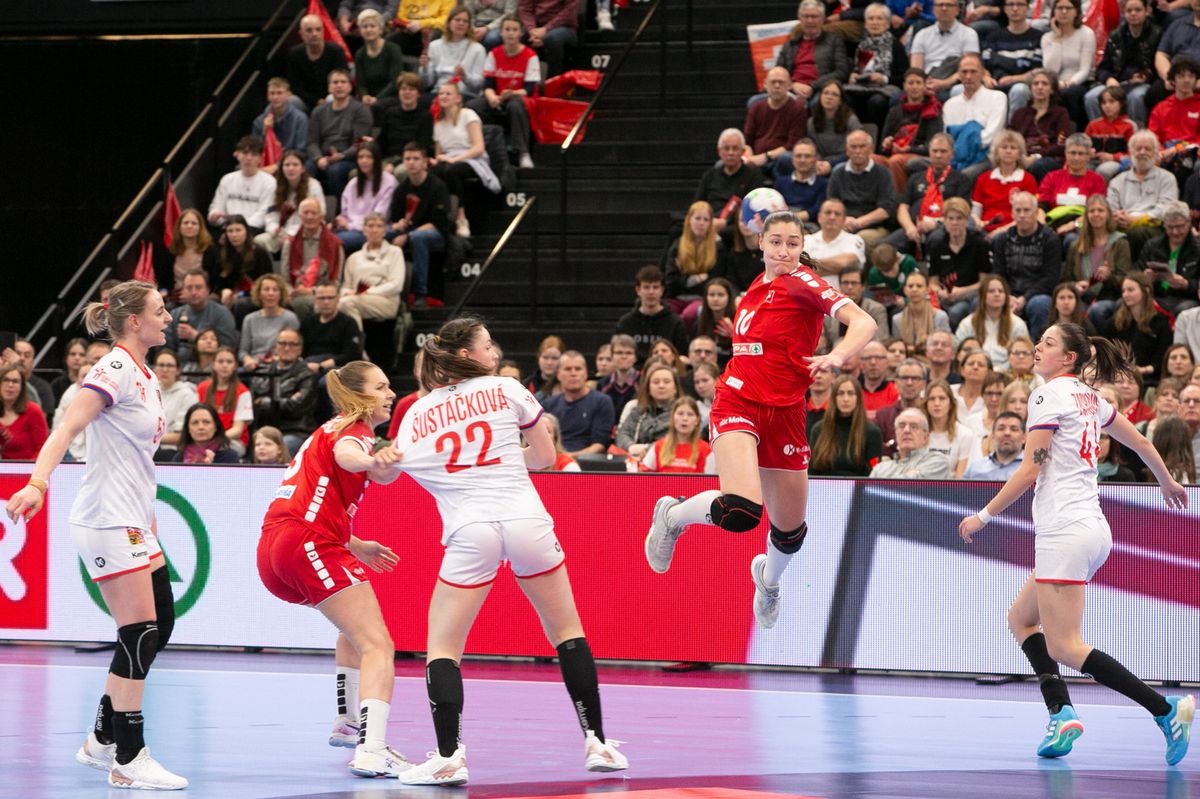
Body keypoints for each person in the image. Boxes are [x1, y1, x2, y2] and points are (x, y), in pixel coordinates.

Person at [389, 318, 628, 784]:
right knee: (566, 630)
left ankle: (448, 757)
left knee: (444, 646)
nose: (494, 348)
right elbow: (543, 458)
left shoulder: (418, 411)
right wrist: (503, 458)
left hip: (471, 527)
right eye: (486, 344)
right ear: (465, 355)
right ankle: (597, 742)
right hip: (526, 520)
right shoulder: (508, 389)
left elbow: (389, 472)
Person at [957, 322, 1193, 766]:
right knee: (1021, 619)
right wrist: (1167, 482)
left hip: (1064, 529)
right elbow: (1141, 440)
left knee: (1065, 645)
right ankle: (1061, 712)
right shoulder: (1092, 399)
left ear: (1067, 358)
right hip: (1089, 528)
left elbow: (1030, 470)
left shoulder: (1047, 395)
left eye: (1047, 343)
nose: (1037, 347)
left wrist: (983, 516)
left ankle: (1166, 712)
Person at [644, 211, 877, 630]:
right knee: (741, 511)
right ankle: (672, 516)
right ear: (761, 245)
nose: (784, 250)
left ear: (802, 247)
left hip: (786, 411)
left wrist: (837, 356)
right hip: (737, 399)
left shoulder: (803, 281)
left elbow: (864, 321)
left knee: (790, 533)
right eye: (776, 242)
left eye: (792, 243)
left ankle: (767, 582)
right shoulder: (755, 287)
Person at [5, 281, 188, 789]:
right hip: (105, 518)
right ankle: (128, 757)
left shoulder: (146, 375)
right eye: (160, 310)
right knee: (140, 631)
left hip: (133, 516)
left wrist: (148, 519)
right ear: (134, 321)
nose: (168, 317)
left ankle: (101, 738)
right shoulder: (114, 368)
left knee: (161, 622)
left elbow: (135, 460)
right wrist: (38, 482)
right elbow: (64, 429)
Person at [257, 360, 412, 776]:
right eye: (381, 387)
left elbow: (323, 491)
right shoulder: (354, 432)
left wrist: (357, 544)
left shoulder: (325, 429)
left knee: (355, 630)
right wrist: (371, 460)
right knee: (379, 645)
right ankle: (371, 749)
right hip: (308, 543)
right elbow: (349, 457)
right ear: (359, 397)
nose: (390, 394)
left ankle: (348, 723)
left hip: (277, 546)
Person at [470, 15, 539, 169]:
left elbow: (529, 89)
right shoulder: (494, 54)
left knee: (515, 106)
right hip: (498, 96)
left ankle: (522, 153)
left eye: (514, 30)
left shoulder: (530, 56)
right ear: (501, 32)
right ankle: (480, 149)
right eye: (507, 29)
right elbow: (488, 84)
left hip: (521, 98)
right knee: (472, 107)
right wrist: (491, 96)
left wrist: (512, 93)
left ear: (521, 33)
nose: (510, 33)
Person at [433, 79, 499, 237]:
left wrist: (456, 159)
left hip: (472, 159)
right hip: (449, 159)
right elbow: (438, 153)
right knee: (434, 171)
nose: (443, 96)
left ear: (458, 98)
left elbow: (478, 147)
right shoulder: (438, 123)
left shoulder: (468, 115)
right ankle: (440, 219)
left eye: (448, 93)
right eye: (441, 93)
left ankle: (461, 218)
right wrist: (436, 159)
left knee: (451, 171)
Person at [887, 133, 971, 257]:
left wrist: (936, 223)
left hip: (943, 228)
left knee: (936, 240)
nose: (938, 155)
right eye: (935, 151)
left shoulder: (961, 180)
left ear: (952, 154)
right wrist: (909, 227)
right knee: (885, 248)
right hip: (914, 228)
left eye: (943, 151)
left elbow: (962, 212)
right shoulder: (915, 177)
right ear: (929, 153)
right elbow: (903, 208)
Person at [389, 143, 452, 308]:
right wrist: (398, 225)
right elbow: (395, 219)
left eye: (416, 158)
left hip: (437, 234)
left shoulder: (437, 186)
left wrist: (408, 235)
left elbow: (438, 223)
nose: (411, 163)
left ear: (425, 162)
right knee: (381, 234)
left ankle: (420, 293)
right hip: (409, 232)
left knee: (418, 238)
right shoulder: (401, 189)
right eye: (407, 159)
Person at [992, 191, 1060, 338]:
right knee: (982, 301)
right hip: (1008, 293)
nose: (1022, 215)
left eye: (1027, 210)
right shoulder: (1001, 240)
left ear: (1036, 213)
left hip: (1038, 294)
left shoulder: (1050, 239)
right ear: (1012, 214)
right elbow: (998, 275)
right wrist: (1006, 296)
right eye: (1018, 210)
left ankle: (1039, 351)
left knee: (1039, 304)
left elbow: (1050, 278)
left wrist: (1024, 299)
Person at [1107, 130, 1180, 260]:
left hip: (1155, 227)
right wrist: (1119, 217)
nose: (1142, 152)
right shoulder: (1117, 181)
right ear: (1131, 152)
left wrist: (1135, 220)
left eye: (1147, 149)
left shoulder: (1167, 178)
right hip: (1122, 226)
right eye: (1138, 148)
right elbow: (1110, 208)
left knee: (1136, 233)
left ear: (1156, 152)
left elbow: (1166, 209)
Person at [1086, 0, 1161, 125]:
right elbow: (1103, 68)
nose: (1133, 14)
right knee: (1091, 97)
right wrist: (1109, 79)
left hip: (1142, 84)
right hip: (1117, 82)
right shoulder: (1116, 35)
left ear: (1146, 11)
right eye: (1129, 11)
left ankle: (1135, 134)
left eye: (1137, 10)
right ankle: (1100, 133)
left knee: (1136, 97)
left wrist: (1146, 75)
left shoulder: (1157, 34)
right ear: (1123, 13)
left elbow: (1157, 66)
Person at [1062, 195, 1130, 332]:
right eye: (1092, 211)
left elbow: (1126, 280)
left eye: (1100, 210)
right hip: (1082, 298)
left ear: (1108, 214)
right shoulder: (1076, 245)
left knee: (1097, 310)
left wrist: (1108, 277)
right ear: (1086, 216)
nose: (1096, 214)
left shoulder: (1120, 242)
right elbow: (1065, 280)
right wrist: (1075, 286)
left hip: (1110, 298)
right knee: (1067, 307)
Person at [307, 69, 374, 201]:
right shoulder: (318, 111)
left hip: (349, 158)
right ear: (329, 88)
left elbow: (360, 143)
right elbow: (312, 142)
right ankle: (310, 207)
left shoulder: (361, 110)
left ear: (350, 87)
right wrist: (318, 158)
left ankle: (339, 209)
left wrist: (341, 156)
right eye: (335, 82)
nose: (339, 85)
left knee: (335, 170)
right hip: (323, 157)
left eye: (343, 82)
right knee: (307, 167)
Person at [827, 129, 898, 251]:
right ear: (847, 150)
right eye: (853, 147)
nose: (857, 151)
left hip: (875, 227)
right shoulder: (838, 173)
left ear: (871, 148)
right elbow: (831, 204)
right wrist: (843, 220)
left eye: (862, 146)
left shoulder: (883, 173)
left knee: (860, 239)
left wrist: (858, 223)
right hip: (843, 224)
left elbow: (885, 210)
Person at [251, 330, 320, 454]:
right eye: (282, 343)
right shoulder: (262, 371)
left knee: (281, 447)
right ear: (276, 347)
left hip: (295, 431)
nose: (287, 348)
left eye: (293, 344)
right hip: (264, 429)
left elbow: (294, 408)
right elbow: (252, 404)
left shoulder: (307, 375)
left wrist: (264, 400)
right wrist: (285, 398)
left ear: (300, 349)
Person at [941, 53, 1009, 178]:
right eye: (964, 72)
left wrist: (963, 145)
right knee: (914, 164)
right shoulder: (950, 105)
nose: (968, 76)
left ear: (982, 73)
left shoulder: (997, 98)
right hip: (955, 157)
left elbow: (990, 136)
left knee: (962, 176)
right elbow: (949, 138)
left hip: (986, 156)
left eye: (973, 72)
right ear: (958, 74)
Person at [927, 197, 989, 329]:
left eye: (959, 218)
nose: (955, 223)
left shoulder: (979, 244)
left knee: (956, 312)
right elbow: (932, 282)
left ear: (967, 220)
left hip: (970, 295)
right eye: (950, 218)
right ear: (944, 221)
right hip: (944, 296)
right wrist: (939, 291)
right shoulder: (937, 245)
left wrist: (962, 291)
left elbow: (984, 282)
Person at [540, 350, 615, 457]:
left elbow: (600, 445)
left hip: (588, 465)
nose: (573, 373)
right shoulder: (548, 404)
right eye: (567, 369)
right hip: (553, 464)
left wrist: (567, 458)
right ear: (558, 375)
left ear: (585, 374)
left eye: (578, 369)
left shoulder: (602, 402)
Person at [879, 69, 944, 193]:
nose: (914, 87)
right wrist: (887, 144)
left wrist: (909, 149)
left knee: (896, 161)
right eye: (910, 83)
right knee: (872, 159)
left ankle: (899, 202)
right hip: (895, 153)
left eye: (918, 83)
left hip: (919, 154)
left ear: (925, 85)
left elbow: (931, 146)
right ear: (904, 86)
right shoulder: (894, 111)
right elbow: (883, 143)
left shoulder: (933, 110)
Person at [256, 150, 327, 261]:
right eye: (287, 165)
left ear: (303, 168)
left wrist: (291, 236)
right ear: (282, 168)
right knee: (259, 241)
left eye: (295, 165)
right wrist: (275, 230)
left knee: (292, 245)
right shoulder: (274, 186)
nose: (291, 168)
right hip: (279, 234)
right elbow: (270, 215)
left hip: (305, 233)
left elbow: (320, 213)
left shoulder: (313, 186)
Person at [338, 212, 406, 329]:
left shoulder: (395, 252)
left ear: (384, 231)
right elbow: (346, 286)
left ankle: (356, 343)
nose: (375, 230)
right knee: (335, 304)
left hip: (386, 300)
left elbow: (396, 285)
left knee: (346, 304)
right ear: (364, 230)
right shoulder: (354, 257)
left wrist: (367, 292)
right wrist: (346, 293)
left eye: (379, 226)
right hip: (356, 298)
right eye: (370, 226)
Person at [775, 0, 851, 104]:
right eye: (806, 16)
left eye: (814, 17)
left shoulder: (834, 41)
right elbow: (778, 71)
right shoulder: (790, 45)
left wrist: (812, 86)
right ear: (800, 19)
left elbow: (841, 72)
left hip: (820, 89)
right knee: (755, 101)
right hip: (791, 89)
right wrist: (792, 85)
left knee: (818, 103)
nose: (810, 21)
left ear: (823, 19)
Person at [693, 129, 767, 236]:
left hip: (736, 224)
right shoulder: (710, 175)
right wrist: (706, 221)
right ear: (719, 151)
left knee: (729, 233)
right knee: (677, 230)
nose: (730, 152)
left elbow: (753, 208)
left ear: (742, 152)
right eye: (726, 148)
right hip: (708, 221)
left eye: (735, 148)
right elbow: (697, 203)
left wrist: (726, 222)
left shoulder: (754, 176)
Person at [1105, 274, 1174, 382]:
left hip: (1150, 378)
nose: (1125, 294)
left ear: (1146, 290)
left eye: (1130, 290)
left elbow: (1163, 358)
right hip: (1119, 377)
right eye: (1123, 291)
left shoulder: (1160, 321)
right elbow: (1106, 352)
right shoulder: (1115, 322)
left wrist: (1142, 370)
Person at [809, 374, 883, 476]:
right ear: (834, 397)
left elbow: (874, 473)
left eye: (851, 393)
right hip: (824, 488)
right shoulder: (819, 430)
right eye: (840, 393)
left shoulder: (872, 432)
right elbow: (812, 471)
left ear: (858, 398)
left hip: (858, 489)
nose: (845, 399)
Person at [980, 0, 1043, 117]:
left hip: (1023, 84)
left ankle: (1014, 132)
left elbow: (1039, 71)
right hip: (995, 83)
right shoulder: (993, 37)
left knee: (1019, 90)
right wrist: (985, 76)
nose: (1015, 9)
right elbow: (983, 64)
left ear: (1028, 8)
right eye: (1010, 4)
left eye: (1019, 4)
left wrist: (1014, 79)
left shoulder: (1038, 37)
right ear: (1004, 9)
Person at [971, 131, 1040, 238]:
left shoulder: (1027, 180)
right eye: (1004, 147)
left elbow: (1029, 215)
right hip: (984, 228)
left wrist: (1000, 231)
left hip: (1014, 230)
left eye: (1013, 148)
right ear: (996, 152)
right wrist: (977, 223)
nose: (1008, 151)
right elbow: (976, 211)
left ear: (1019, 154)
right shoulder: (983, 178)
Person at [744, 67, 809, 178]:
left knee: (786, 158)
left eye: (781, 82)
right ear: (765, 85)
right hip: (756, 158)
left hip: (779, 160)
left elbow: (792, 145)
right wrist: (748, 158)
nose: (777, 86)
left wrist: (766, 156)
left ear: (789, 86)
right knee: (725, 164)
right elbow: (747, 141)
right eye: (773, 82)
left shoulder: (798, 109)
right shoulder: (755, 107)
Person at [955, 276, 1031, 372]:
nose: (997, 294)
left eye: (1001, 291)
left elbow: (1025, 353)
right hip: (977, 371)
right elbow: (959, 353)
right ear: (982, 296)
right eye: (991, 291)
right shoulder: (967, 324)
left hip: (1008, 374)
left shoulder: (1018, 324)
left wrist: (1001, 370)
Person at [1137, 200, 1200, 316]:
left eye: (1180, 226)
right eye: (1170, 227)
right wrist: (1145, 278)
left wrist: (1186, 284)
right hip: (1156, 295)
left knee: (1182, 310)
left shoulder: (1197, 249)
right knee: (1126, 304)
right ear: (1164, 225)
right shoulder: (1151, 246)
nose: (1175, 232)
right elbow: (1136, 275)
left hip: (1186, 299)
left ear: (1189, 223)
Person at [614, 266, 690, 361]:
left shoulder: (676, 323)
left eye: (655, 287)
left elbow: (681, 357)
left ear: (662, 290)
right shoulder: (625, 323)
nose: (651, 292)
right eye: (646, 287)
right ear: (638, 290)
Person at [335, 141, 399, 254]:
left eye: (368, 157)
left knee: (335, 241)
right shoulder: (353, 184)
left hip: (374, 231)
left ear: (376, 159)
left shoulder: (389, 182)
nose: (364, 161)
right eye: (360, 157)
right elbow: (344, 214)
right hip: (351, 229)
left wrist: (349, 225)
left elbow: (379, 219)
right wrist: (339, 221)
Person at [288, 197, 346, 319]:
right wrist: (290, 292)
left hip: (325, 293)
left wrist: (313, 291)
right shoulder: (290, 244)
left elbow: (336, 282)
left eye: (314, 213)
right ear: (300, 216)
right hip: (295, 291)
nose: (309, 216)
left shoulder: (335, 244)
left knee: (302, 303)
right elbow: (285, 279)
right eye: (306, 212)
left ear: (321, 216)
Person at [1038, 0, 1094, 126]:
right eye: (1060, 8)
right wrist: (1057, 38)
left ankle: (1074, 129)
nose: (1063, 12)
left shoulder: (1086, 34)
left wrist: (1068, 83)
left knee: (1068, 94)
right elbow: (1051, 70)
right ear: (1054, 11)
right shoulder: (1047, 38)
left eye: (1068, 8)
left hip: (1080, 82)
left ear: (1076, 12)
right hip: (1055, 82)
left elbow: (1085, 69)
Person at [165, 269, 238, 364]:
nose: (194, 292)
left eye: (198, 287)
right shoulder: (175, 314)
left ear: (208, 290)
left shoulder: (222, 314)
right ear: (183, 291)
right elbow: (166, 349)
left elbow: (228, 347)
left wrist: (197, 337)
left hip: (213, 369)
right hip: (180, 369)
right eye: (189, 288)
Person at [1010, 70, 1073, 181]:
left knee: (1039, 165)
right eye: (1036, 83)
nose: (1040, 87)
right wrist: (1021, 156)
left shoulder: (1060, 113)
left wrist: (1036, 156)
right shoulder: (1019, 113)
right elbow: (1009, 138)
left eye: (1044, 84)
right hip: (1021, 155)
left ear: (1052, 89)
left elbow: (1061, 145)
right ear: (1030, 88)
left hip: (1048, 158)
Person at [910, 0, 982, 96]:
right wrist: (923, 86)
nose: (944, 8)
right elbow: (916, 70)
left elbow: (970, 68)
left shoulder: (969, 34)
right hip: (926, 82)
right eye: (940, 5)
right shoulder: (922, 35)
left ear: (957, 10)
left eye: (949, 5)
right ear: (933, 10)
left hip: (954, 82)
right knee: (897, 98)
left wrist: (943, 84)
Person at [664, 202, 724, 313]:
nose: (701, 223)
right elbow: (671, 281)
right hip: (676, 298)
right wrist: (696, 279)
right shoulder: (677, 245)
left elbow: (714, 281)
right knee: (666, 314)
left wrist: (685, 280)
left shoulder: (718, 248)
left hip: (702, 299)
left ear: (711, 223)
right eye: (697, 218)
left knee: (689, 314)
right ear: (689, 220)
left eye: (706, 220)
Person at [286, 13, 351, 111]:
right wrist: (316, 101)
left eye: (318, 29)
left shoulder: (336, 51)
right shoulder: (294, 54)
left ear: (323, 31)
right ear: (301, 34)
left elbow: (342, 80)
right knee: (291, 100)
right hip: (306, 101)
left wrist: (327, 97)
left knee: (332, 99)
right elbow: (294, 86)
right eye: (309, 30)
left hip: (331, 97)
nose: (314, 34)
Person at [615, 361, 679, 458]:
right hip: (635, 459)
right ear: (648, 388)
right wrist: (630, 446)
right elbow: (623, 433)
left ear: (675, 388)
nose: (661, 386)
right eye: (656, 382)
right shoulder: (638, 410)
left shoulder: (683, 412)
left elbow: (679, 440)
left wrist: (647, 449)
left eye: (666, 382)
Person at [1148, 55, 1200, 176]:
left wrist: (1179, 149)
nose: (1186, 80)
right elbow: (1153, 136)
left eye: (1191, 76)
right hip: (1164, 153)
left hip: (1192, 154)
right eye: (1181, 76)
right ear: (1173, 80)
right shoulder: (1161, 108)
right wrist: (1160, 152)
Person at [211, 215, 274, 313]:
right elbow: (218, 283)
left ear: (246, 232)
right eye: (230, 231)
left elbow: (266, 281)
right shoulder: (222, 254)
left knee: (241, 304)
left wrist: (240, 295)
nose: (234, 235)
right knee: (210, 301)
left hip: (254, 295)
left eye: (238, 230)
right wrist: (223, 291)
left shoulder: (259, 253)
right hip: (230, 295)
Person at [868, 407, 953, 477]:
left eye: (914, 426)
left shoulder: (938, 462)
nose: (906, 430)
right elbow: (867, 493)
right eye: (901, 426)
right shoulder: (881, 468)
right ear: (896, 434)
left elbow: (911, 487)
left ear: (925, 437)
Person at [198, 346, 254, 454]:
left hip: (233, 441)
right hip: (204, 439)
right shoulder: (201, 388)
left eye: (229, 362)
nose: (225, 365)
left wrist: (213, 440)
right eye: (220, 361)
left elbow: (238, 430)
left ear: (235, 366)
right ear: (213, 365)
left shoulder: (243, 392)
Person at [421, 5, 487, 96]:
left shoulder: (478, 49)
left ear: (469, 26)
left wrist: (464, 76)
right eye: (457, 20)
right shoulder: (434, 46)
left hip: (464, 94)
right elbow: (427, 83)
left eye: (465, 21)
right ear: (449, 23)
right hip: (439, 92)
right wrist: (425, 68)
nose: (461, 23)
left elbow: (478, 86)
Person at [240, 274, 302, 369]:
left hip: (281, 365)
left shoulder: (290, 318)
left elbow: (293, 348)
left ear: (280, 294)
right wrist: (248, 360)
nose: (271, 293)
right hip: (255, 366)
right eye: (266, 289)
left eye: (275, 290)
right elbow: (243, 351)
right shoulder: (249, 319)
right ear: (259, 294)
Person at [373, 72, 436, 167]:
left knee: (400, 172)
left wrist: (393, 164)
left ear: (418, 94)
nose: (407, 93)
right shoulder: (390, 113)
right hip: (388, 158)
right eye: (403, 89)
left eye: (411, 89)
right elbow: (381, 142)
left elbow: (422, 146)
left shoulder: (425, 116)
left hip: (412, 160)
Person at [639, 396, 715, 473]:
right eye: (680, 413)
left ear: (697, 420)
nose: (685, 418)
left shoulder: (706, 450)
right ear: (672, 418)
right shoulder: (658, 447)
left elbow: (712, 482)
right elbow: (643, 476)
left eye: (690, 414)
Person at [302, 281, 365, 374]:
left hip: (337, 368)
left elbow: (352, 355)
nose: (326, 302)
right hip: (309, 365)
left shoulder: (348, 323)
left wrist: (321, 366)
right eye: (322, 298)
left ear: (338, 299)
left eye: (330, 298)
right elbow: (301, 350)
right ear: (315, 300)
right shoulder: (308, 322)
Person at [804, 199, 867, 286]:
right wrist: (836, 268)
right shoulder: (806, 240)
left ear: (844, 219)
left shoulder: (854, 239)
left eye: (837, 214)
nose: (832, 217)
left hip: (843, 297)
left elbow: (845, 263)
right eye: (828, 212)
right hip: (810, 296)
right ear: (819, 217)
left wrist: (811, 265)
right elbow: (799, 269)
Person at [924, 378, 979, 476]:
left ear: (951, 404)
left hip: (950, 489)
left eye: (942, 398)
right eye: (932, 399)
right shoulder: (918, 433)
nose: (937, 403)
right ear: (926, 404)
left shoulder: (965, 434)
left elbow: (960, 477)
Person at [161, 208, 217, 302]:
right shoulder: (171, 251)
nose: (189, 226)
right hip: (177, 297)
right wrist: (165, 292)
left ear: (200, 227)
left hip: (203, 298)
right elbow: (163, 280)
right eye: (186, 223)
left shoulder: (210, 251)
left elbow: (214, 280)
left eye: (194, 223)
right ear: (179, 226)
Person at [823, 268, 888, 347]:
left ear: (863, 286)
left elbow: (881, 340)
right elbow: (826, 345)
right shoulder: (830, 312)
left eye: (854, 283)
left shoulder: (876, 309)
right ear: (839, 285)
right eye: (845, 283)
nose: (849, 287)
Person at [891, 270, 951, 353]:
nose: (914, 289)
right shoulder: (897, 319)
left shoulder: (940, 317)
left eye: (919, 286)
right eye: (910, 286)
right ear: (905, 290)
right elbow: (897, 347)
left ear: (927, 289)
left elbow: (946, 346)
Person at [808, 81, 862, 171]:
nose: (829, 97)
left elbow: (857, 149)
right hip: (818, 163)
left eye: (834, 95)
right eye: (826, 93)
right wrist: (818, 162)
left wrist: (830, 163)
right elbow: (811, 147)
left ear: (840, 101)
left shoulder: (851, 120)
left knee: (837, 169)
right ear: (820, 97)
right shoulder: (811, 122)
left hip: (843, 162)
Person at [1086, 86, 1138, 181]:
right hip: (1093, 160)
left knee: (1103, 170)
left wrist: (1113, 157)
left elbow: (1134, 154)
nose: (1107, 106)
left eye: (1111, 101)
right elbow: (1083, 146)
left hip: (1117, 162)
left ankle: (1102, 195)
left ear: (1121, 104)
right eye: (1104, 103)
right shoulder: (1093, 124)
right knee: (1080, 167)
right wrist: (1088, 152)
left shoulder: (1129, 126)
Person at [354, 9, 405, 105]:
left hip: (390, 98)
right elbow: (360, 83)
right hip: (368, 100)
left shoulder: (393, 49)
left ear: (381, 30)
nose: (369, 29)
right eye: (365, 26)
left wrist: (377, 99)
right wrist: (364, 95)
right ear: (360, 31)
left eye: (372, 26)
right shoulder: (359, 54)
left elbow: (395, 81)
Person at [773, 139, 828, 227]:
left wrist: (790, 217)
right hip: (782, 224)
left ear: (815, 159)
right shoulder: (780, 182)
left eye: (807, 156)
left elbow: (818, 211)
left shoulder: (823, 184)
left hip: (808, 225)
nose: (802, 160)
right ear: (792, 159)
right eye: (798, 156)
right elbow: (774, 207)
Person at [153, 349, 198, 454]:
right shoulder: (150, 390)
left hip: (173, 450)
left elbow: (180, 436)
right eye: (161, 365)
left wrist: (148, 439)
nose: (165, 369)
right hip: (149, 446)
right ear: (155, 369)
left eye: (169, 366)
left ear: (178, 370)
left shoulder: (187, 395)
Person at [519, 0, 579, 78]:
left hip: (565, 27)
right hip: (537, 29)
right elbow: (525, 9)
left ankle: (554, 84)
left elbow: (568, 12)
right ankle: (523, 84)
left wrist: (546, 30)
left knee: (552, 39)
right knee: (520, 40)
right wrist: (532, 31)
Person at [253, 78, 310, 159]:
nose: (275, 97)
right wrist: (265, 132)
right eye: (272, 93)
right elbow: (255, 151)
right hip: (266, 161)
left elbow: (301, 150)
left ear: (288, 95)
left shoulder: (300, 119)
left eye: (279, 93)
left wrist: (278, 165)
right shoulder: (258, 121)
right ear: (268, 96)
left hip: (290, 162)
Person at [0, 366, 48, 460]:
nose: (10, 385)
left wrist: (27, 469)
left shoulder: (33, 411)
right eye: (6, 380)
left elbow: (43, 449)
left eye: (15, 381)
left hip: (26, 470)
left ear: (22, 387)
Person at [963, 410, 1026, 479]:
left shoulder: (1032, 469)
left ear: (1023, 437)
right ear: (992, 436)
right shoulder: (974, 468)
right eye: (1001, 428)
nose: (1007, 433)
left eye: (1013, 429)